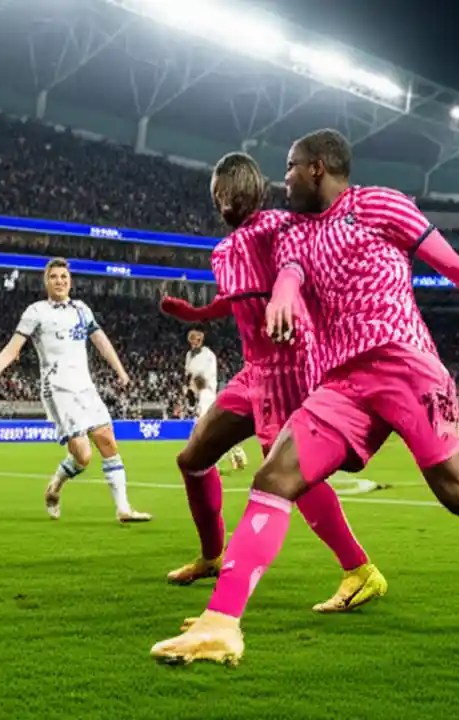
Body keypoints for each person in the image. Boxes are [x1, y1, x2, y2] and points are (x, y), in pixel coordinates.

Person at [150, 130, 459, 666]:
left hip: (411, 368)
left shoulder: (381, 205)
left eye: (289, 167)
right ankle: (221, 625)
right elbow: (288, 275)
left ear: (317, 168)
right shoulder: (293, 233)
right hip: (342, 382)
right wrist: (281, 299)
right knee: (274, 477)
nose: (282, 178)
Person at [158, 152, 385, 613]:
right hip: (253, 373)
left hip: (292, 369)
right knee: (193, 458)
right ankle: (212, 555)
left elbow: (302, 278)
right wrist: (196, 313)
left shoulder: (285, 228)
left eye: (232, 192)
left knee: (285, 473)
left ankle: (360, 569)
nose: (226, 201)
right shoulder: (228, 249)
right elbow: (238, 299)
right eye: (220, 194)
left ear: (255, 192)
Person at [0, 258, 151, 523]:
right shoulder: (36, 311)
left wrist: (120, 371)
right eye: (54, 277)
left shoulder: (81, 309)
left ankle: (123, 509)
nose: (60, 281)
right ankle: (56, 485)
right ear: (46, 282)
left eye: (64, 277)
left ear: (70, 281)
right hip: (58, 389)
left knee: (107, 440)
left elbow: (100, 340)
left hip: (85, 386)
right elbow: (14, 345)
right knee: (83, 456)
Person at [183, 327, 246, 470]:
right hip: (197, 395)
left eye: (196, 339)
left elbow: (203, 380)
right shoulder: (189, 355)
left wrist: (192, 388)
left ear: (201, 339)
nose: (193, 342)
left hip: (207, 394)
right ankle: (235, 451)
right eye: (191, 340)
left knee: (204, 428)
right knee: (212, 429)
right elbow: (188, 374)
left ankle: (213, 462)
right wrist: (187, 389)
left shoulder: (208, 356)